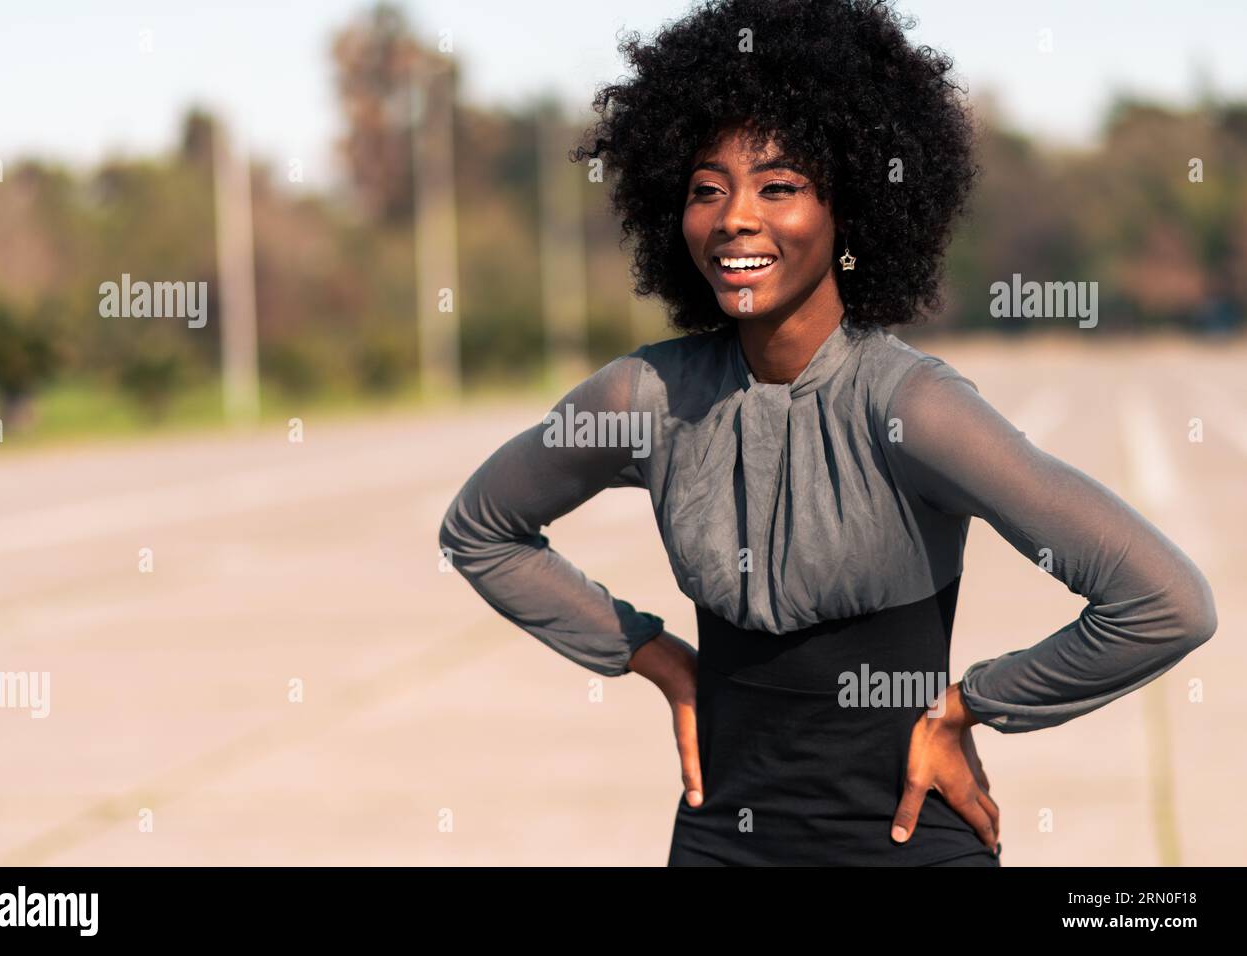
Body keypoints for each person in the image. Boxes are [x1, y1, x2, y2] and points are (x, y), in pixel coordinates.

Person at [438, 0, 1218, 865]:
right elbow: (481, 530)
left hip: (908, 839)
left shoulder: (913, 407)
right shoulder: (642, 396)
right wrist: (657, 657)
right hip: (717, 838)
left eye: (780, 186)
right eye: (707, 188)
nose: (737, 216)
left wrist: (968, 706)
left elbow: (1164, 602)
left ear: (847, 209)